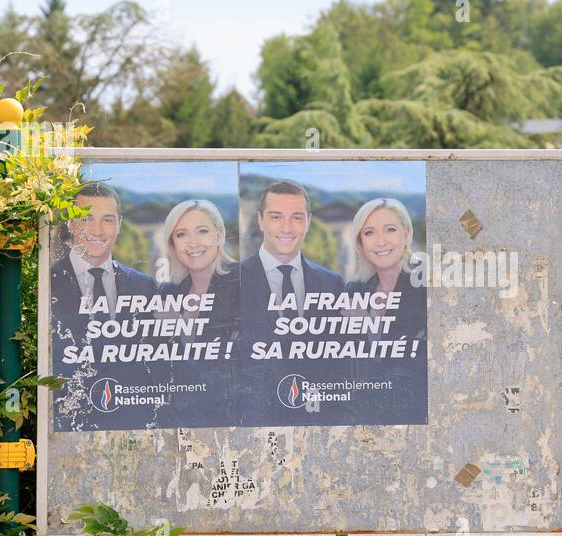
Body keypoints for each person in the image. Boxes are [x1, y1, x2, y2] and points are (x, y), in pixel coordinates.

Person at [48, 181, 158, 430]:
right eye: (87, 219)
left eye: (108, 219)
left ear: (119, 225)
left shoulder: (144, 285)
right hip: (67, 420)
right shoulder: (49, 282)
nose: (98, 230)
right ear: (71, 224)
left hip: (132, 420)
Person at [238, 180, 344, 425]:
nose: (287, 227)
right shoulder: (232, 282)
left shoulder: (331, 283)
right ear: (260, 221)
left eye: (297, 217)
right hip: (253, 420)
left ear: (308, 221)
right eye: (276, 217)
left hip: (317, 418)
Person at [153, 199, 239, 425]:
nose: (193, 243)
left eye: (202, 231)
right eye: (181, 234)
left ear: (219, 235)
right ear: (172, 244)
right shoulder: (168, 294)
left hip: (232, 415)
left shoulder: (245, 282)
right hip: (181, 418)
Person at [342, 197, 427, 423]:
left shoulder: (427, 285)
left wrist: (367, 329)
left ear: (406, 233)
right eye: (369, 233)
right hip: (364, 414)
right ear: (360, 242)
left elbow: (418, 366)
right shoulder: (354, 290)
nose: (380, 242)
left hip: (414, 413)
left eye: (390, 230)